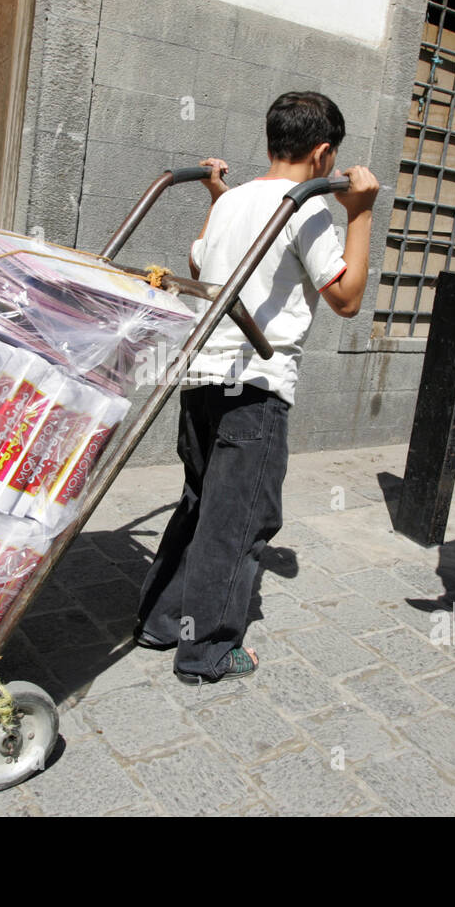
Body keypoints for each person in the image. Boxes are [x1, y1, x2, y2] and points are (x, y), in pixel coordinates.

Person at [133, 91, 380, 684]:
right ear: (323, 153)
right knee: (239, 517)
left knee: (199, 501)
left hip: (201, 375)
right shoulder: (309, 207)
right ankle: (209, 650)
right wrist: (362, 212)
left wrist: (219, 198)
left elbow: (200, 265)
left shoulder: (232, 203)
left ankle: (161, 623)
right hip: (256, 381)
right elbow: (345, 300)